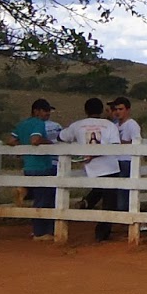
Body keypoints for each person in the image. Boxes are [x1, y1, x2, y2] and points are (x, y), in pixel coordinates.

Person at [58, 98, 121, 241]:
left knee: (100, 189)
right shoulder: (109, 125)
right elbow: (115, 146)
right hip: (110, 166)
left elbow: (61, 137)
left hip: (91, 168)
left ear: (86, 111)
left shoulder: (77, 125)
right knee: (110, 202)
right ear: (101, 110)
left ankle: (88, 202)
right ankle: (101, 233)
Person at [6, 98, 60, 238]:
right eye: (45, 111)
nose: (47, 113)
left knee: (38, 196)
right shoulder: (39, 123)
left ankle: (25, 190)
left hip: (28, 165)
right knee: (46, 199)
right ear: (36, 111)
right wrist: (48, 142)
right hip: (43, 165)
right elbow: (35, 140)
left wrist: (22, 146)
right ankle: (41, 232)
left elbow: (11, 140)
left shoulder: (22, 124)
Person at [107, 96, 142, 229]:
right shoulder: (115, 125)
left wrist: (119, 143)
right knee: (117, 192)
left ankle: (132, 221)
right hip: (115, 161)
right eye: (116, 109)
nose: (117, 112)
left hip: (127, 160)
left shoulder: (132, 124)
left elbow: (136, 142)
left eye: (120, 109)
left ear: (127, 110)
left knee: (124, 193)